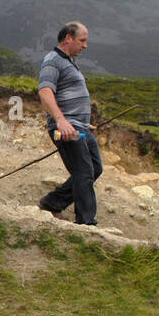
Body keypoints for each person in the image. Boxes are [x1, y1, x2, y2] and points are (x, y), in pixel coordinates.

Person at [36, 22, 104, 225]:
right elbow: (45, 91)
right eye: (82, 40)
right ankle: (86, 222)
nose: (85, 45)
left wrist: (83, 123)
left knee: (94, 167)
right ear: (68, 38)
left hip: (78, 127)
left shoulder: (69, 62)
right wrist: (61, 120)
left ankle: (52, 203)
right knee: (83, 171)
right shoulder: (53, 60)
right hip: (64, 129)